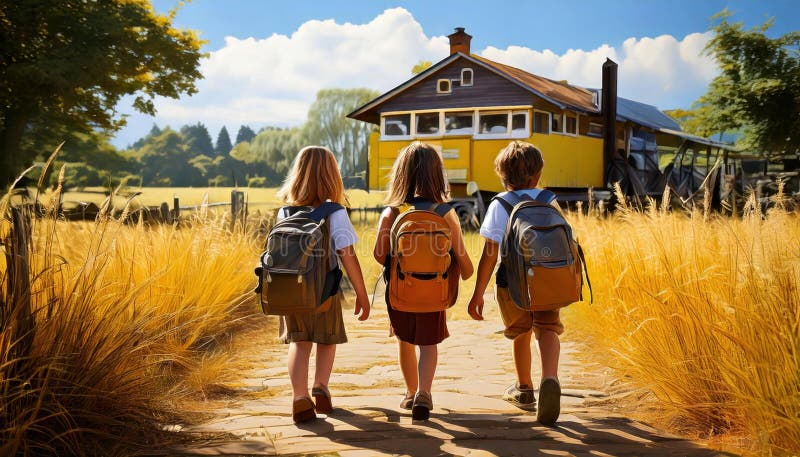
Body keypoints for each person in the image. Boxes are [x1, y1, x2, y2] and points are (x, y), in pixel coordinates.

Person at [373, 141, 474, 421]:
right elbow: (466, 266)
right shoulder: (446, 215)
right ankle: (424, 394)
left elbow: (379, 255)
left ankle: (409, 391)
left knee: (404, 341)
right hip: (435, 294)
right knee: (428, 345)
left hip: (401, 294)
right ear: (437, 175)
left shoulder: (392, 213)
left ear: (400, 174)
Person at [467, 140, 563, 425]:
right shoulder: (549, 200)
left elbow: (490, 252)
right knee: (547, 329)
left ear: (503, 177)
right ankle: (550, 378)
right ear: (537, 176)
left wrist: (478, 294)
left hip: (512, 283)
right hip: (548, 279)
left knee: (520, 332)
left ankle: (524, 389)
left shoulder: (501, 204)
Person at [275, 146, 371, 423]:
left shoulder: (285, 213)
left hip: (291, 291)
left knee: (299, 342)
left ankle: (299, 397)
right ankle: (321, 386)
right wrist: (362, 296)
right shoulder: (334, 212)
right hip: (324, 291)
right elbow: (348, 256)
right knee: (327, 340)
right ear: (332, 176)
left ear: (298, 175)